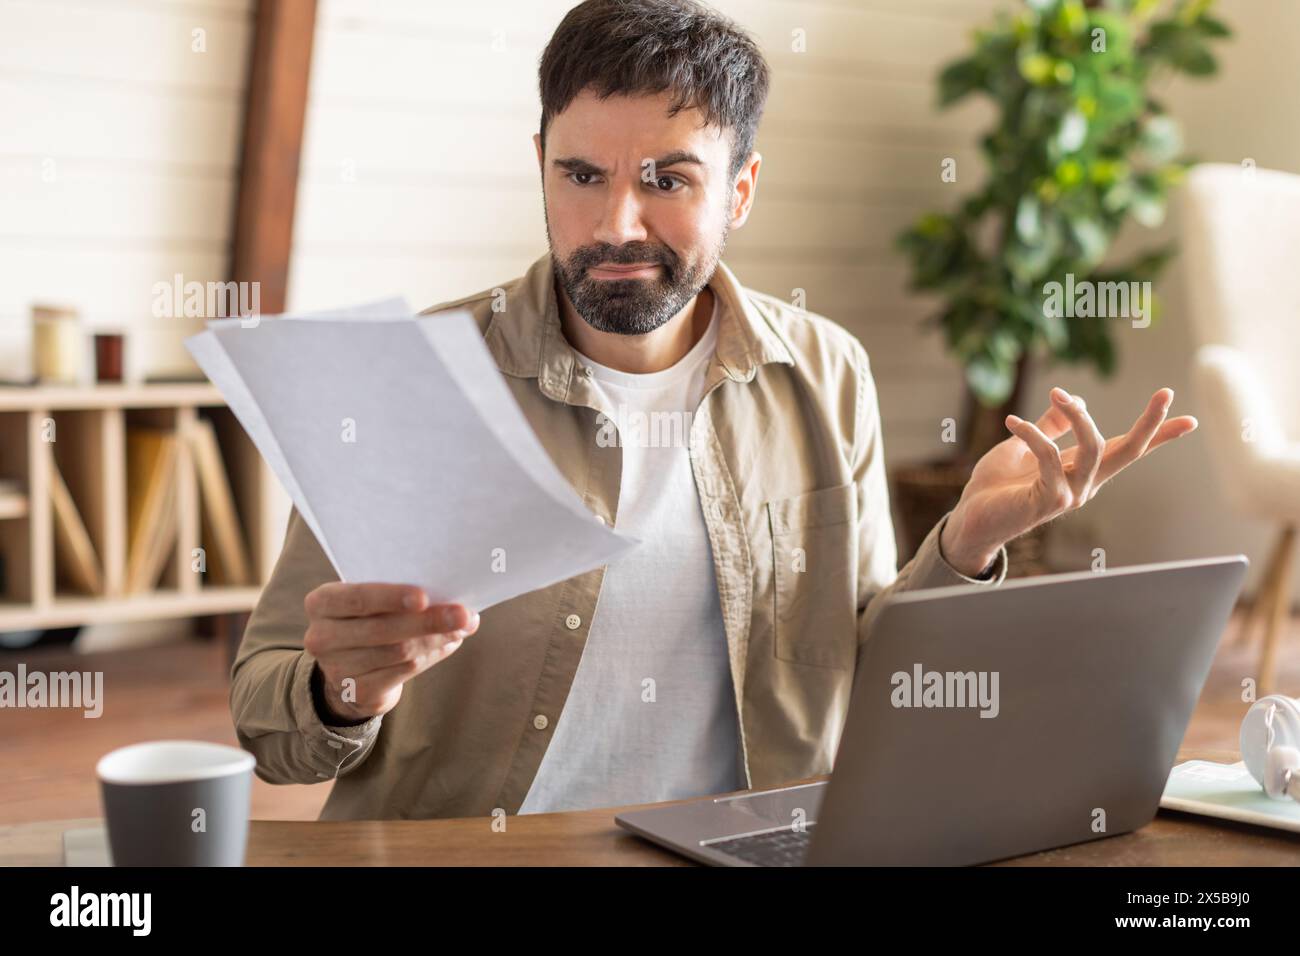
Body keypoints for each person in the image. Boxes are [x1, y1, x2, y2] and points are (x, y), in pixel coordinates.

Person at [231, 0, 1197, 820]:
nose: (615, 224)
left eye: (668, 179)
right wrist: (342, 690)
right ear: (539, 164)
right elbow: (270, 728)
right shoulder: (417, 380)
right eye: (581, 175)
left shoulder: (826, 370)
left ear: (741, 189)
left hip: (747, 845)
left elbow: (866, 688)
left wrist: (965, 547)